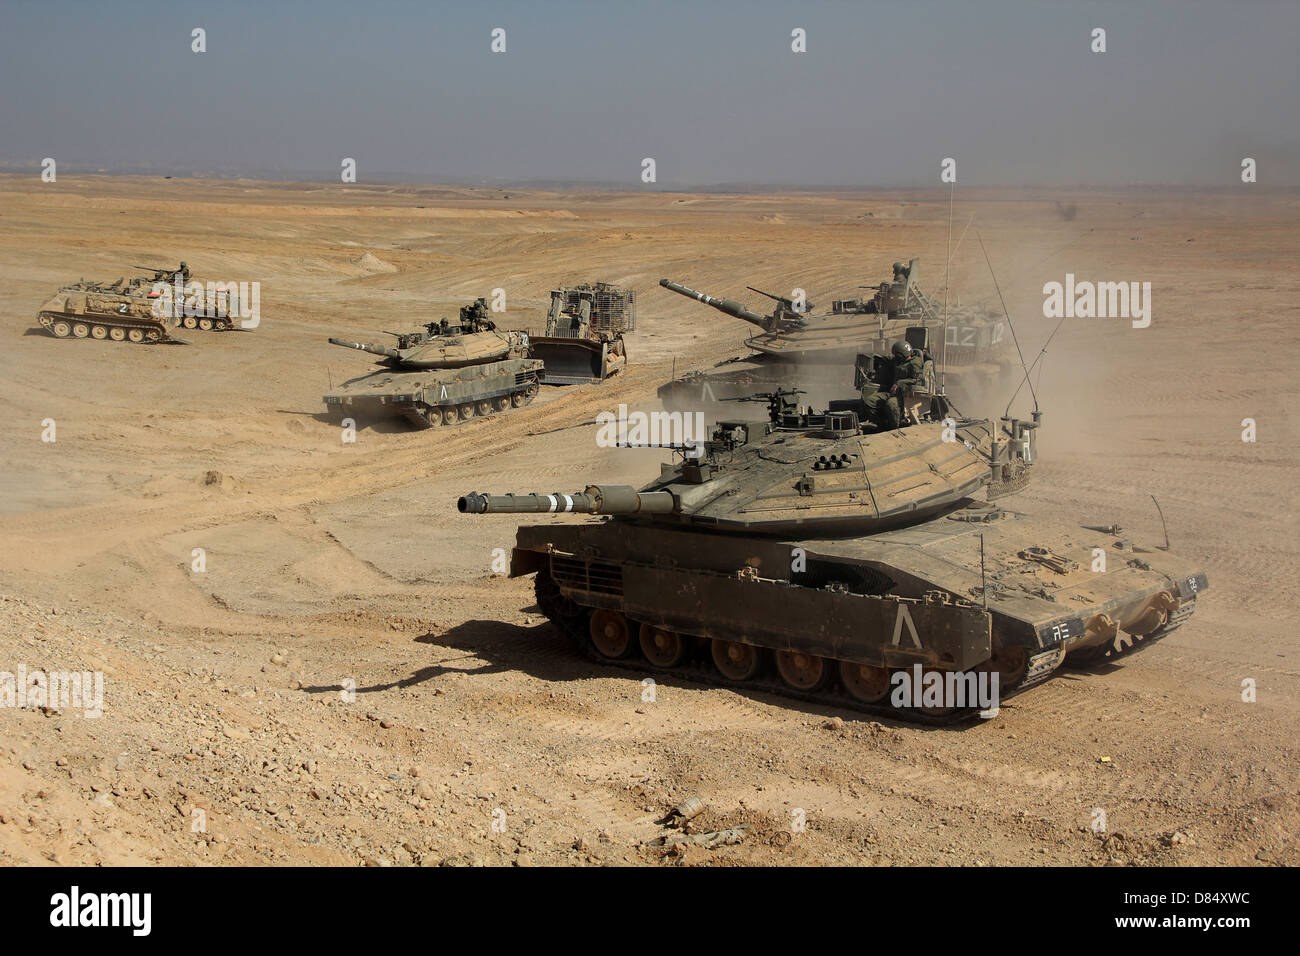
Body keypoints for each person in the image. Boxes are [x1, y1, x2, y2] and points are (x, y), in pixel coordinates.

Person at [861, 340, 925, 430]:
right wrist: (876, 357)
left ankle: (894, 427)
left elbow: (917, 380)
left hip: (904, 395)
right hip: (891, 391)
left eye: (897, 355)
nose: (895, 357)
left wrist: (899, 383)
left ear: (901, 355)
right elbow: (889, 359)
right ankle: (881, 423)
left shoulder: (915, 364)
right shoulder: (898, 361)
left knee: (891, 404)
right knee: (869, 401)